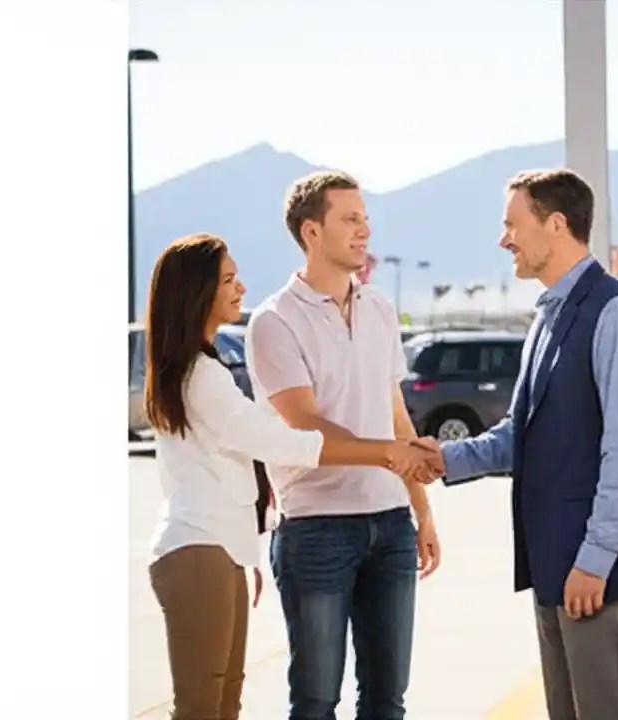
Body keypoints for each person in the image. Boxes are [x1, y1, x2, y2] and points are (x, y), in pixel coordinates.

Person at [412, 169, 618, 720]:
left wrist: (595, 560)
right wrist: (449, 457)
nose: (504, 239)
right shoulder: (549, 318)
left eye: (512, 224)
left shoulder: (617, 317)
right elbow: (523, 431)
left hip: (592, 571)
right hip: (556, 565)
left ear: (555, 224)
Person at [145, 233, 429, 720]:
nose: (241, 288)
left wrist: (244, 556)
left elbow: (225, 475)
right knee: (201, 708)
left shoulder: (198, 370)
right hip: (198, 553)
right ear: (196, 293)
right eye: (228, 280)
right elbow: (279, 441)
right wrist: (383, 451)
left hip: (218, 552)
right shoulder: (202, 377)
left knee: (223, 702)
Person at [245, 170, 442, 720]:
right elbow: (305, 426)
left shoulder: (379, 309)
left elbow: (395, 413)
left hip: (391, 527)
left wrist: (420, 510)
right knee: (315, 702)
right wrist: (387, 453)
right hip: (316, 529)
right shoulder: (274, 321)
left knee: (387, 701)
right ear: (311, 232)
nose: (364, 231)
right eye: (350, 219)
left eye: (365, 218)